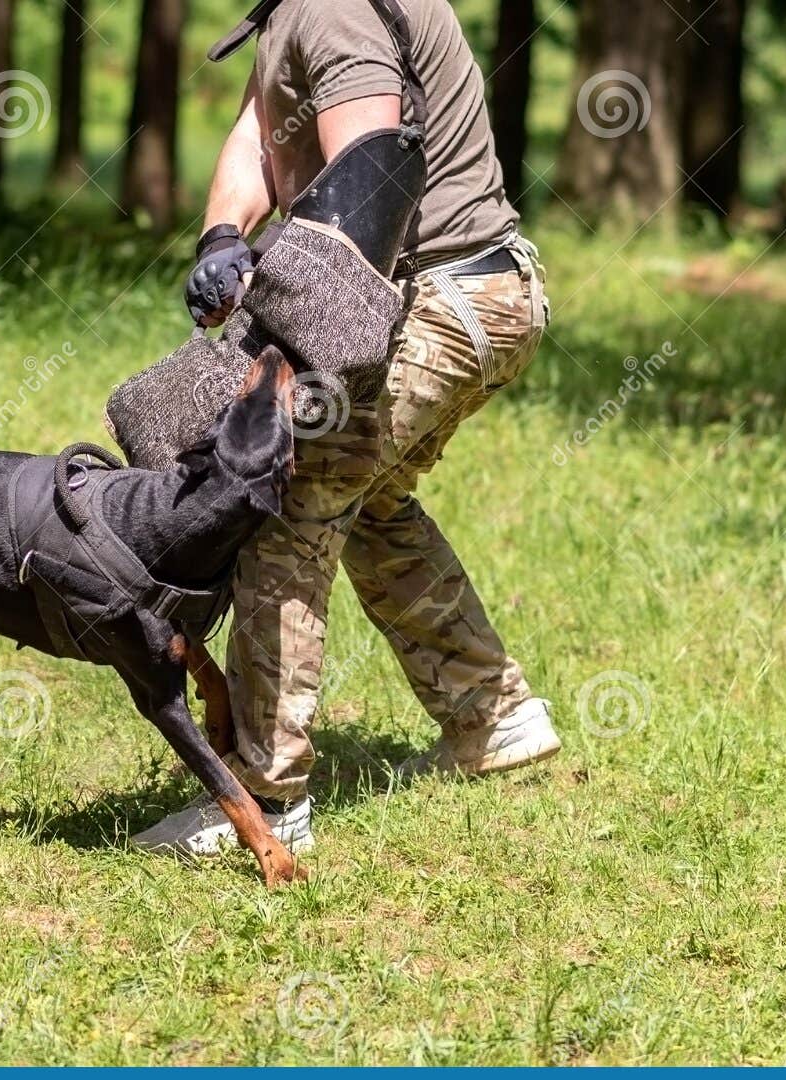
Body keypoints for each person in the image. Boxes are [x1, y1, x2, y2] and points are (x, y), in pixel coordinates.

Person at [134, 0, 560, 858]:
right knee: (367, 499)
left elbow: (369, 170)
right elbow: (262, 128)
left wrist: (278, 329)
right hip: (484, 295)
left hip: (445, 298)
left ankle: (264, 796)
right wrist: (224, 234)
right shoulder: (299, 8)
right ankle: (492, 715)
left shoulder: (331, 7)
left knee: (289, 499)